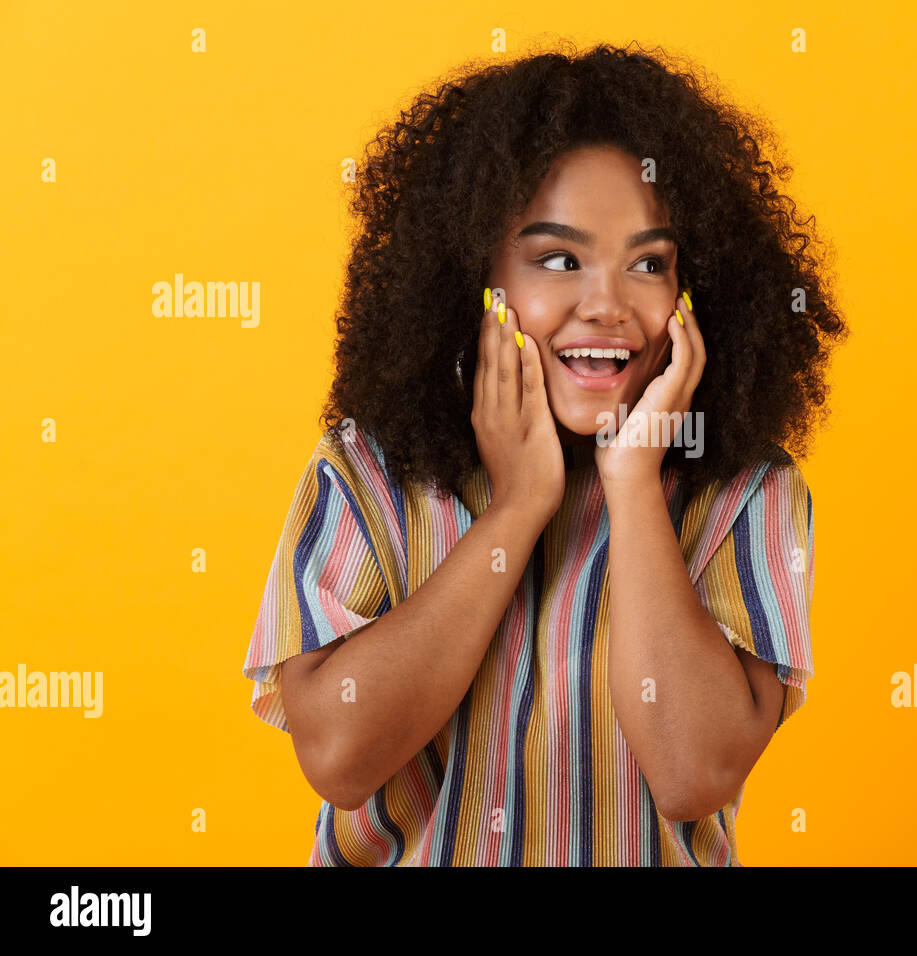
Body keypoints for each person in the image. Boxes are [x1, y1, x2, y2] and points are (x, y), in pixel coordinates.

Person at [242, 41, 847, 865]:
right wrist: (519, 506)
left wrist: (633, 481)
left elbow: (696, 773)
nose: (607, 305)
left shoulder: (746, 490)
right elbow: (338, 757)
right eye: (558, 259)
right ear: (473, 277)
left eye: (649, 263)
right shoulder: (369, 470)